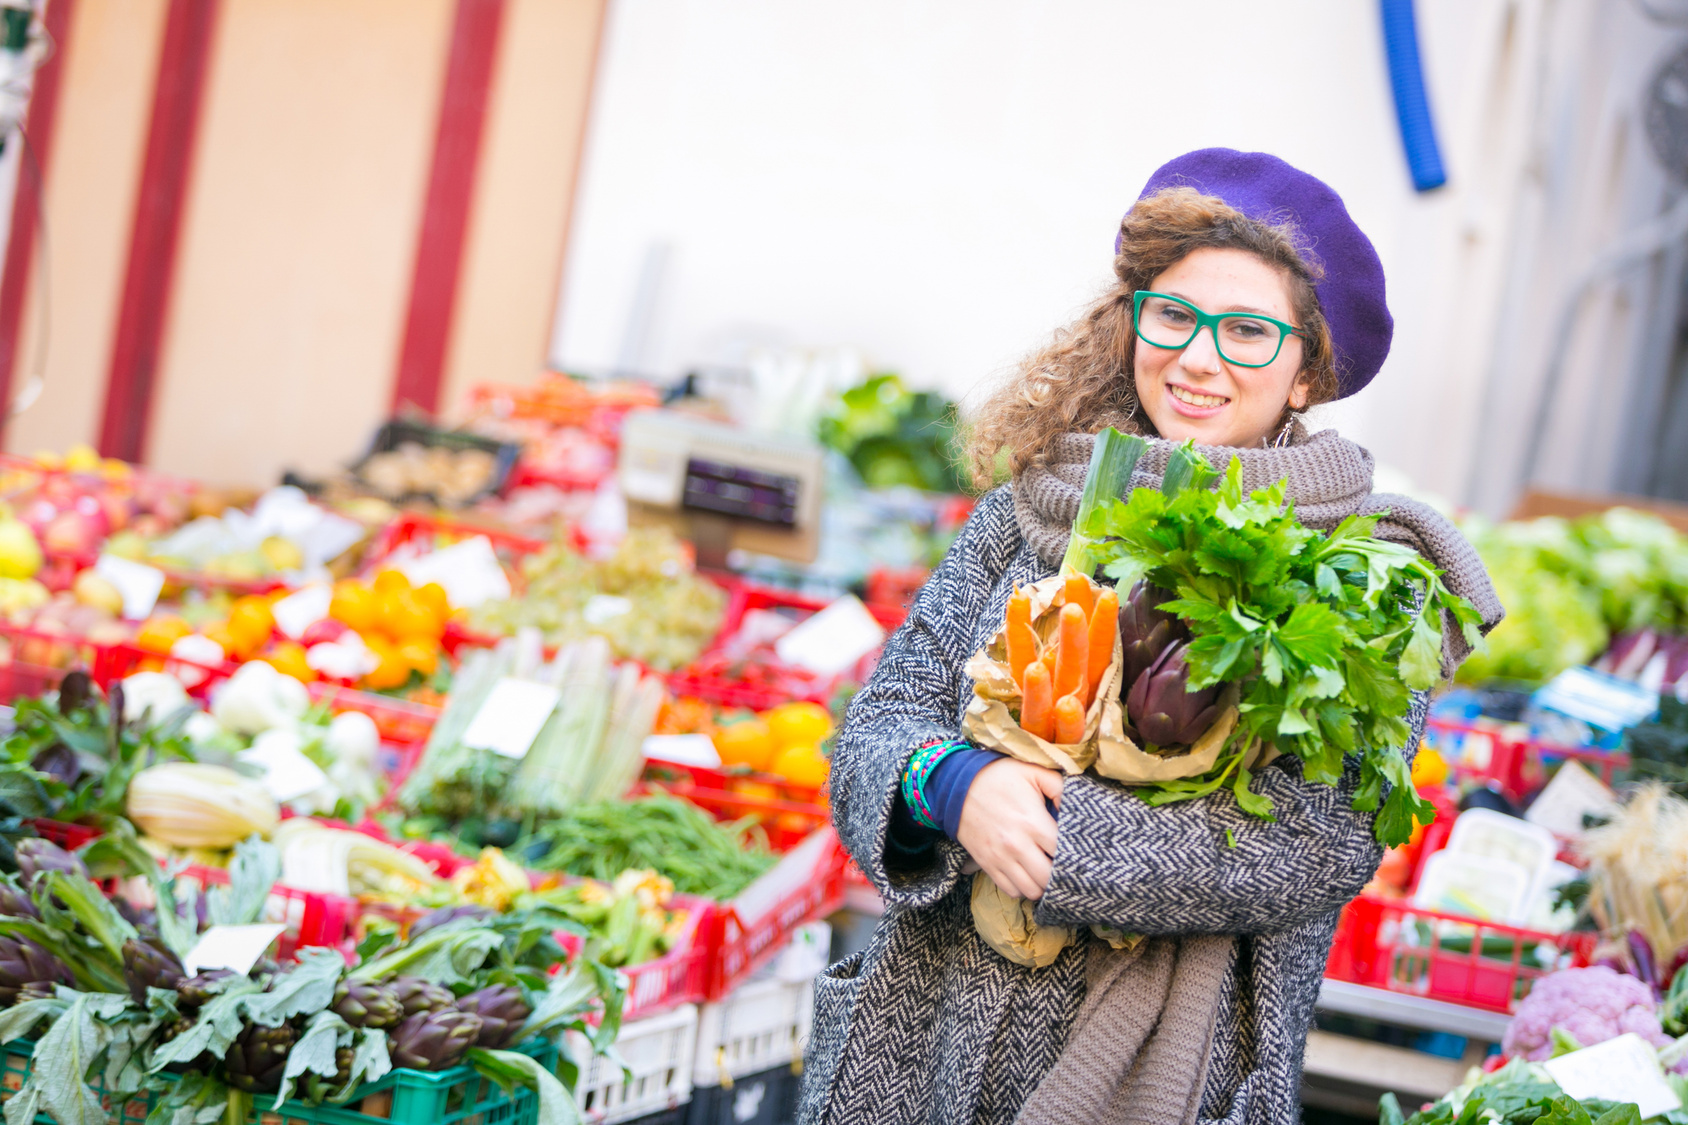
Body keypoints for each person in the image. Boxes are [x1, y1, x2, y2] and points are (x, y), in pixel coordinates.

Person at [799, 149, 1505, 1125]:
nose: (1197, 359)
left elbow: (1314, 843)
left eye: (1248, 333)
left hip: (1173, 1077)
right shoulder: (1029, 506)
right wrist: (948, 785)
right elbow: (880, 722)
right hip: (927, 1047)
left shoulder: (1368, 570)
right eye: (1172, 315)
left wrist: (1051, 840)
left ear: (1307, 374)